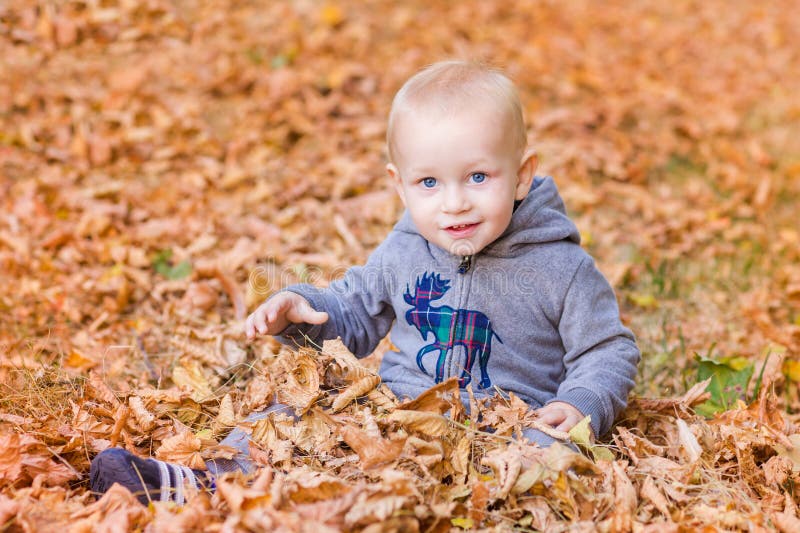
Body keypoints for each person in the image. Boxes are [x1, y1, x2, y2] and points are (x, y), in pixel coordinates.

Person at [89, 60, 640, 504]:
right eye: (429, 182)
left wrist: (583, 401)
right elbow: (352, 315)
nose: (454, 203)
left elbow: (609, 348)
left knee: (548, 452)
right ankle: (207, 481)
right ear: (400, 187)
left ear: (522, 175)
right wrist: (303, 308)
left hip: (503, 429)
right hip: (396, 411)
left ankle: (443, 508)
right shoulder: (403, 250)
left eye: (478, 176)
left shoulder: (561, 269)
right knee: (294, 409)